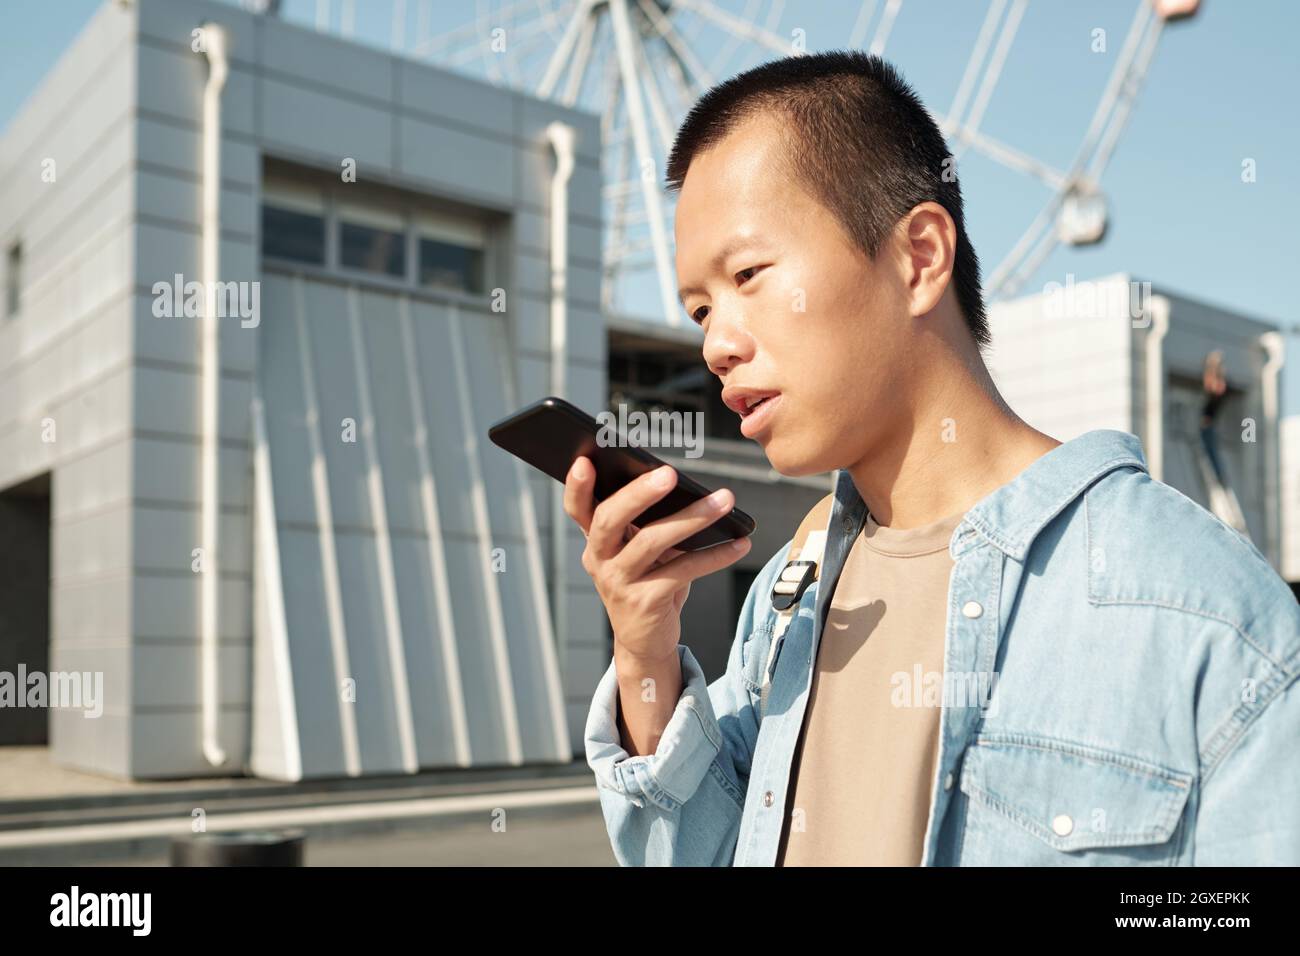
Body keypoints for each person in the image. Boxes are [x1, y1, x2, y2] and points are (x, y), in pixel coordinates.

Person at [566, 51, 1300, 866]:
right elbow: (700, 852)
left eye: (749, 275)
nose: (717, 344)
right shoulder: (790, 600)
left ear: (919, 256)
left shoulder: (1203, 612)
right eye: (701, 309)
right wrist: (644, 650)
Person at [1200, 349, 1229, 485]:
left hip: (1208, 426)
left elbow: (1215, 384)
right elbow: (1210, 382)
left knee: (1211, 452)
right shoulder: (1214, 387)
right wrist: (1213, 366)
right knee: (1209, 451)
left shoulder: (1218, 389)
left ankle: (1219, 477)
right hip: (1206, 426)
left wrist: (1214, 366)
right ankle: (1218, 476)